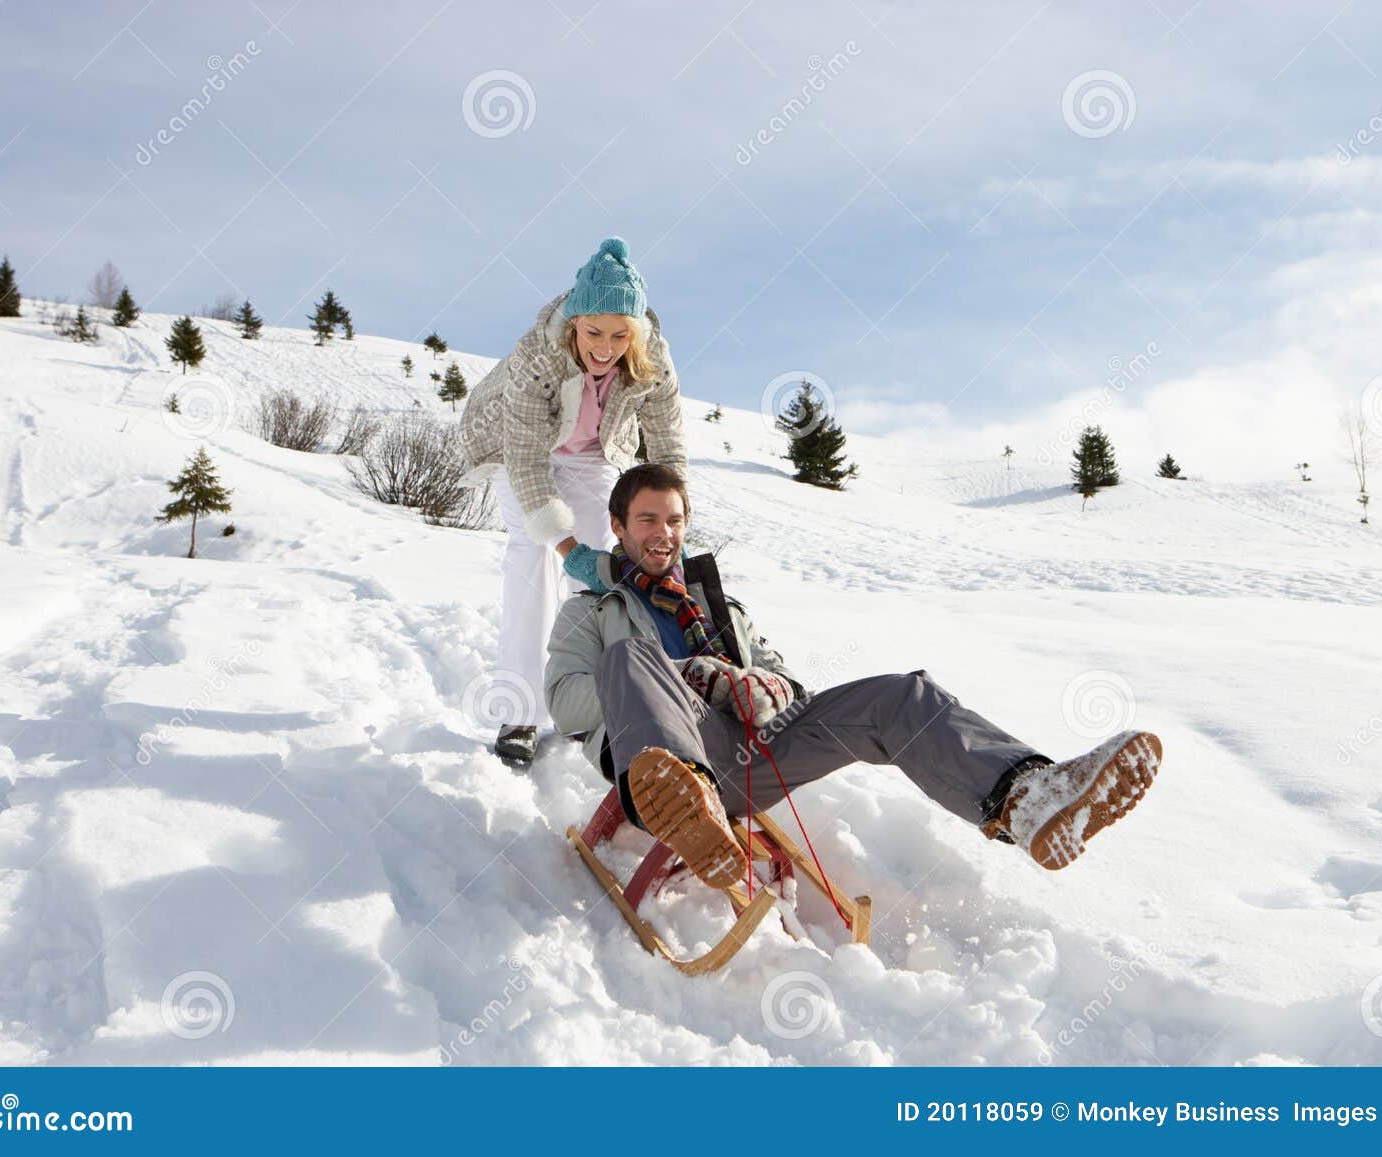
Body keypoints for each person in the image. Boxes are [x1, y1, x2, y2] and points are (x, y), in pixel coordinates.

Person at [545, 463, 1163, 886]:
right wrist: (683, 674)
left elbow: (786, 678)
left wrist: (764, 687)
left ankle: (1027, 801)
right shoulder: (592, 612)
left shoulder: (719, 607)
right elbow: (565, 703)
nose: (664, 533)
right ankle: (687, 804)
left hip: (755, 748)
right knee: (628, 657)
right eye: (648, 520)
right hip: (663, 765)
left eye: (674, 520)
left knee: (901, 696)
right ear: (618, 527)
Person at [458, 237, 687, 765]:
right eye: (593, 333)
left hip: (593, 454)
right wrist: (566, 547)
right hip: (520, 448)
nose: (605, 348)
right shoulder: (538, 354)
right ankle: (520, 712)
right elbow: (526, 460)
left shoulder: (653, 358)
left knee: (601, 572)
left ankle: (592, 702)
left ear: (636, 333)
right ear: (574, 325)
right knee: (531, 555)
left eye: (619, 335)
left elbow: (667, 444)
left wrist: (671, 526)